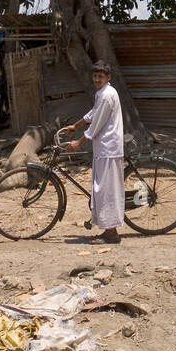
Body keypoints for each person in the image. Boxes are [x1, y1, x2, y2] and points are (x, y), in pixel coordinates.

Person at [62, 60, 125, 243]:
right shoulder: (102, 93)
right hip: (104, 148)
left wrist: (79, 142)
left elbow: (96, 124)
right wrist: (76, 125)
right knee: (103, 189)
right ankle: (108, 229)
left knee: (106, 190)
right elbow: (93, 114)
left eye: (101, 76)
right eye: (95, 76)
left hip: (108, 148)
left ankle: (112, 233)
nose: (97, 79)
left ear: (108, 77)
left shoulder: (106, 95)